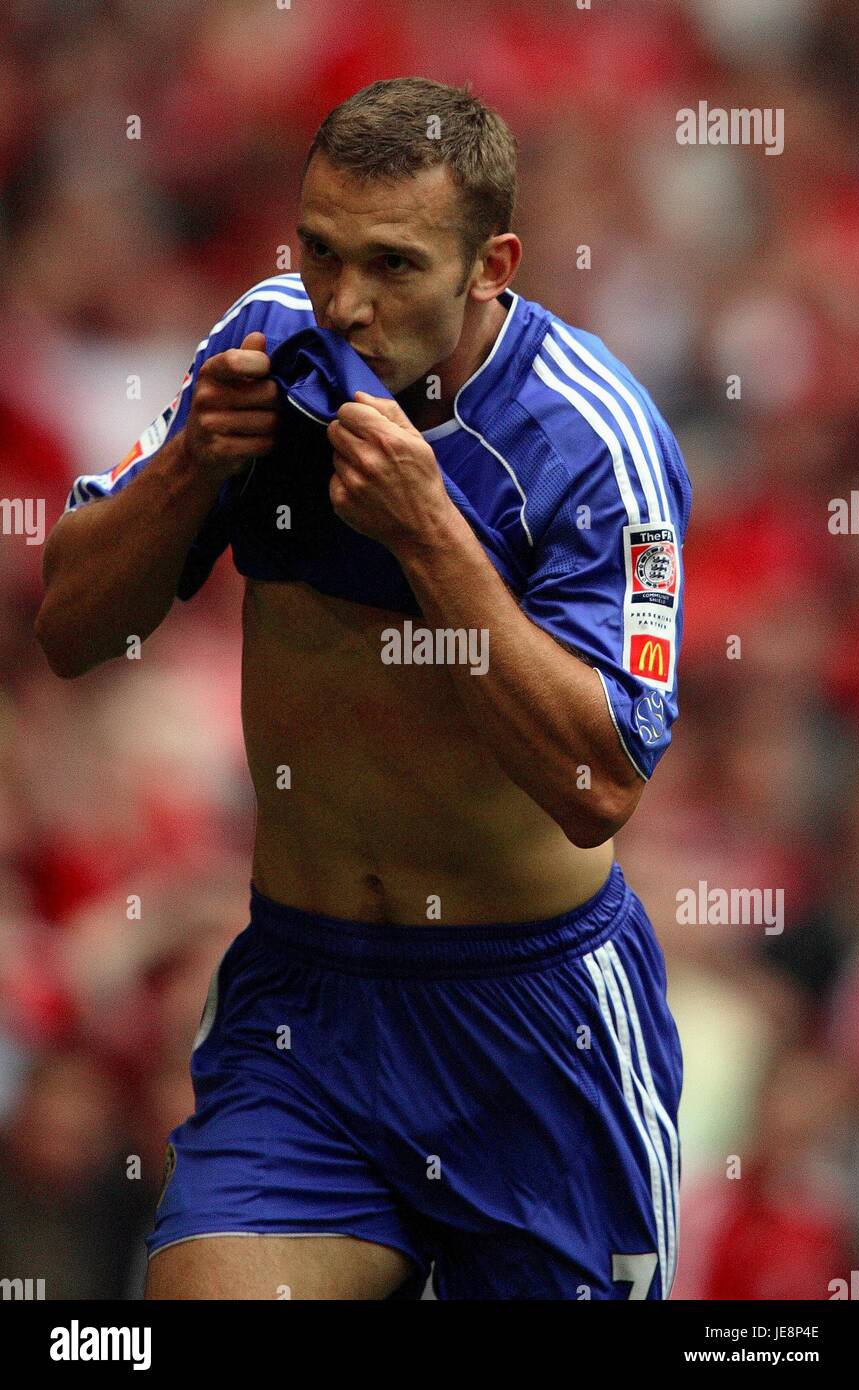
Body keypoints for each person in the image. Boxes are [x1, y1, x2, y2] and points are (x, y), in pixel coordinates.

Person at [36, 77, 690, 1301]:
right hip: (306, 1008)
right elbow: (68, 627)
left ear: (491, 263)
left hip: (534, 1026)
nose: (344, 302)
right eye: (319, 250)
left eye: (392, 264)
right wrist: (187, 464)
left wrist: (428, 531)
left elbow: (600, 781)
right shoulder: (267, 345)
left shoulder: (593, 438)